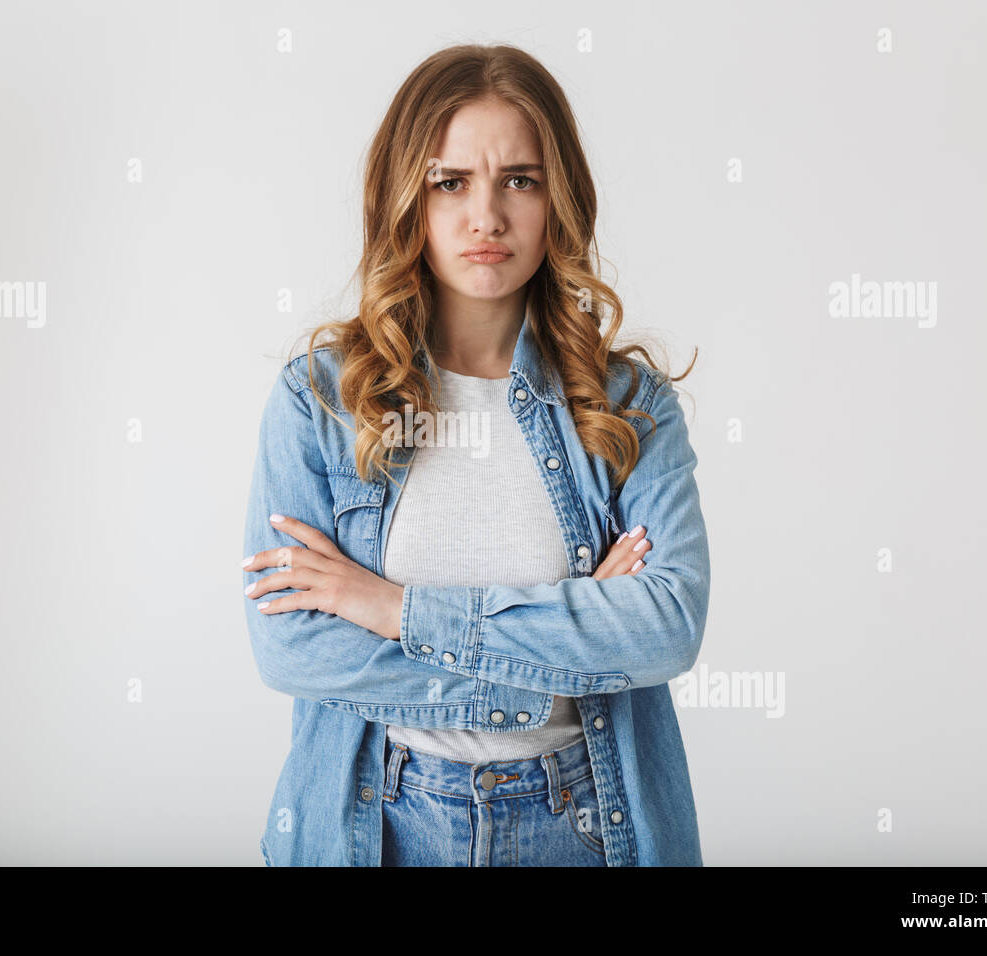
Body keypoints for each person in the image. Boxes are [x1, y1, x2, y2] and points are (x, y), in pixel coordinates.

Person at [241, 43, 710, 866]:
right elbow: (293, 648)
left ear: (557, 199)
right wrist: (553, 661)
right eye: (449, 182)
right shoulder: (319, 401)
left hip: (585, 827)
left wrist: (392, 609)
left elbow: (666, 627)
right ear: (406, 197)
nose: (485, 216)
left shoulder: (628, 405)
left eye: (519, 180)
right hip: (378, 827)